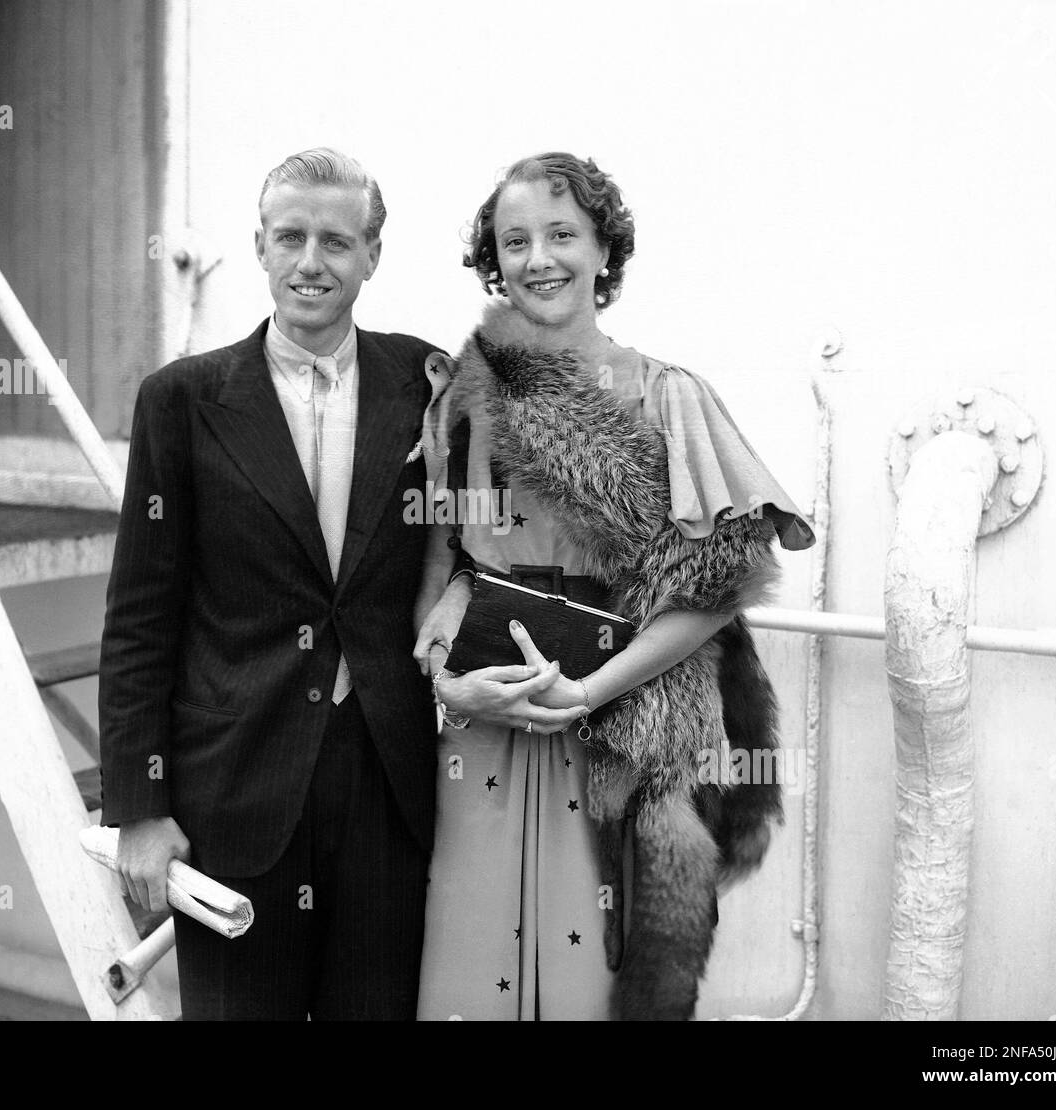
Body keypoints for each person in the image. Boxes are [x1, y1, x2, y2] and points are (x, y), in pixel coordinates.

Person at [412, 152, 815, 1021]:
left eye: (563, 234)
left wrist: (588, 690)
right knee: (465, 970)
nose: (538, 259)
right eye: (514, 241)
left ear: (605, 251)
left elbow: (711, 594)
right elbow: (446, 565)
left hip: (621, 729)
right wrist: (449, 676)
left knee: (600, 971)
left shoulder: (667, 396)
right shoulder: (464, 392)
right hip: (483, 726)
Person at [99, 148, 447, 1020]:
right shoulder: (180, 400)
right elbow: (141, 616)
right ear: (259, 246)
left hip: (386, 787)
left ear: (373, 253)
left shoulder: (430, 383)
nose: (310, 263)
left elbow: (477, 533)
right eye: (289, 237)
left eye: (336, 241)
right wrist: (138, 809)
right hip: (235, 786)